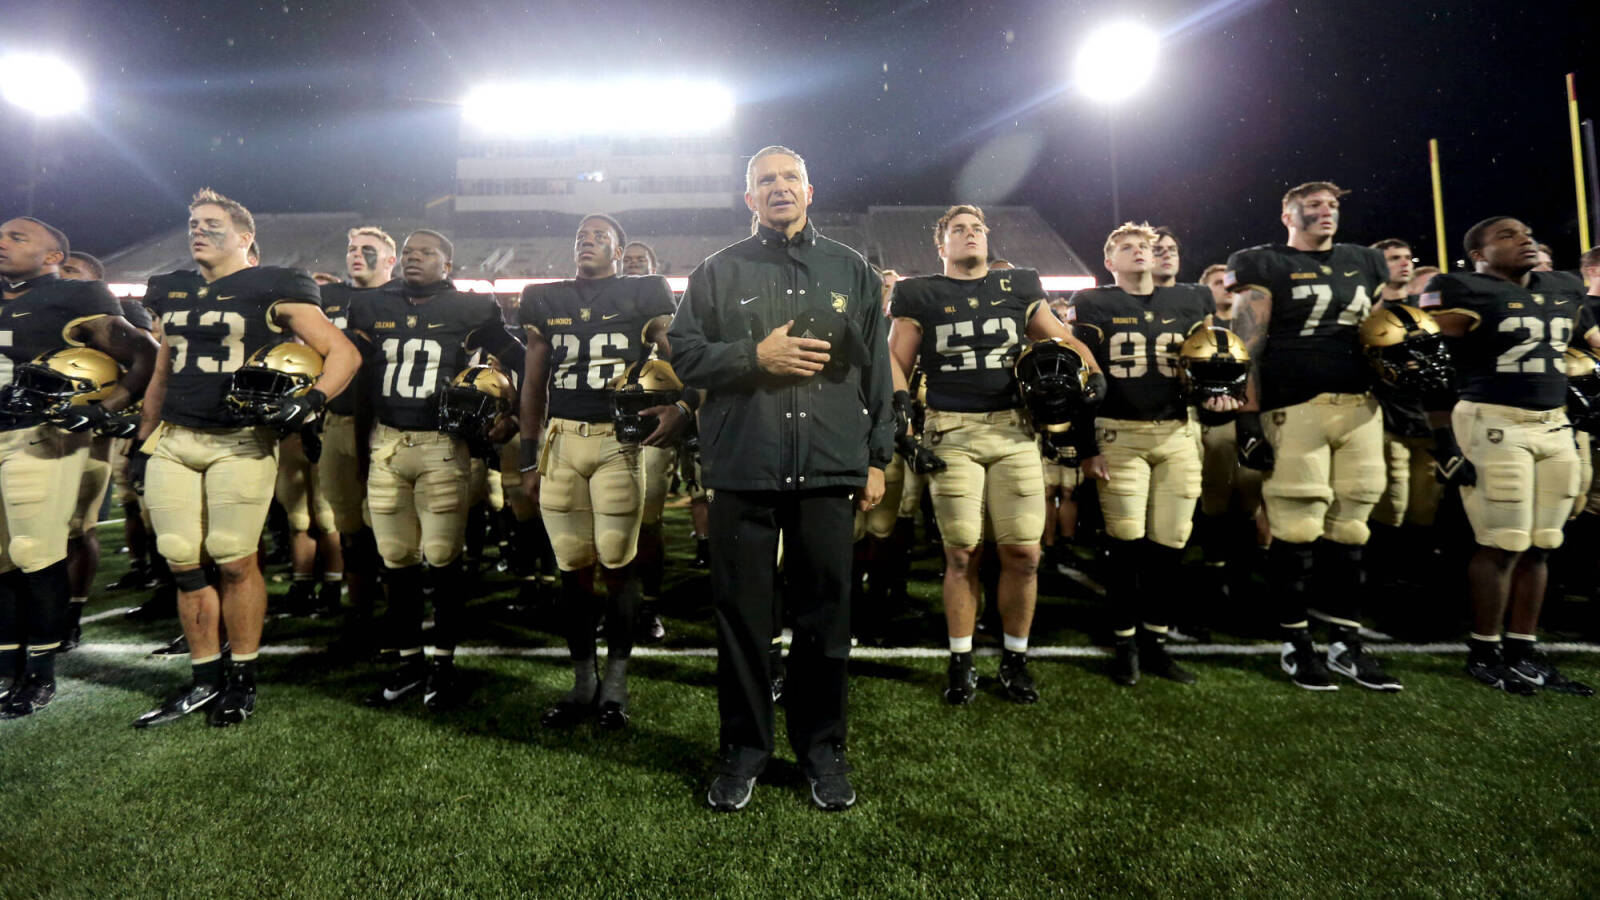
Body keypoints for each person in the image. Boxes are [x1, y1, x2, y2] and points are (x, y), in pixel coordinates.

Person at [671, 145, 893, 813]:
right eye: (764, 180)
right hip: (745, 466)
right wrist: (753, 355)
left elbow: (876, 371)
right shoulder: (716, 270)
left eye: (789, 177)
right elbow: (684, 355)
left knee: (827, 617)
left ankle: (822, 749)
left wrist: (878, 456)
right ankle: (743, 749)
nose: (778, 188)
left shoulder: (849, 268)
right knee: (742, 618)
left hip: (828, 466)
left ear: (810, 189)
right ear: (748, 199)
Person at [132, 189, 358, 728]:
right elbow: (164, 371)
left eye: (212, 223)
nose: (199, 230)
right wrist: (143, 442)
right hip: (175, 438)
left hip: (239, 440)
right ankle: (205, 678)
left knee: (234, 558)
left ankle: (244, 678)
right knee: (182, 558)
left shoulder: (274, 284)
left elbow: (344, 352)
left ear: (244, 237)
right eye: (193, 223)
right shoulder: (175, 288)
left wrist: (313, 400)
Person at [888, 204, 1103, 705]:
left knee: (1025, 554)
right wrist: (905, 426)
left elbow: (1064, 341)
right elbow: (896, 364)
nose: (970, 235)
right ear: (941, 246)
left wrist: (1094, 377)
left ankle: (1014, 658)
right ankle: (961, 661)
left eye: (977, 229)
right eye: (958, 230)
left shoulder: (1019, 286)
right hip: (953, 429)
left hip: (1015, 430)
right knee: (962, 552)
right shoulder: (918, 292)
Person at [1226, 181, 1400, 691]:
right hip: (1294, 406)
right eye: (1315, 204)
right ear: (1288, 212)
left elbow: (1378, 331)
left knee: (1352, 528)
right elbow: (1246, 344)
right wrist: (1247, 417)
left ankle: (1346, 642)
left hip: (1361, 407)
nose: (1327, 211)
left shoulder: (1365, 262)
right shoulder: (1263, 263)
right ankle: (1296, 642)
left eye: (1334, 204)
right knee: (1297, 528)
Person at [1419, 217, 1598, 695]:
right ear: (1478, 254)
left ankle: (1523, 650)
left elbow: (1582, 341)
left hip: (1555, 422)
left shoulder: (1563, 285)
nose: (1526, 240)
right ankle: (1484, 651)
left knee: (1543, 541)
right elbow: (1429, 364)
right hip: (1494, 421)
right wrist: (1444, 440)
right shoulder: (1458, 288)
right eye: (1507, 236)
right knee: (1503, 540)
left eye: (1527, 234)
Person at [352, 229, 525, 711]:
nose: (413, 259)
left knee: (444, 556)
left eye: (425, 253)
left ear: (447, 264)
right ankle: (409, 663)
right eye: (407, 252)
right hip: (386, 441)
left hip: (442, 445)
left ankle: (444, 664)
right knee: (396, 558)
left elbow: (523, 360)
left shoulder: (470, 308)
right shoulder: (370, 306)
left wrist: (513, 415)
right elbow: (358, 377)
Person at [518, 214, 677, 728]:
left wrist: (683, 406)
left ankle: (616, 684)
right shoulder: (547, 298)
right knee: (572, 567)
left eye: (599, 237)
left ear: (619, 249)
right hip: (561, 439)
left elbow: (679, 359)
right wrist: (528, 451)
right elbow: (533, 381)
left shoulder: (645, 292)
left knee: (617, 562)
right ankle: (583, 680)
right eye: (581, 237)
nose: (587, 243)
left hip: (617, 440)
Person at [0, 218, 158, 718]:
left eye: (16, 237)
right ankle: (7, 664)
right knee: (0, 559)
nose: (2, 242)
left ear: (52, 257)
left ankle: (41, 673)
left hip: (38, 437)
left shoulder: (73, 297)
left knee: (35, 552)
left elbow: (145, 354)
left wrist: (105, 409)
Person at [1070, 222, 1228, 685]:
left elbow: (1209, 359)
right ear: (1109, 260)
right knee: (1125, 545)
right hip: (1120, 434)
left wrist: (1217, 395)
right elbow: (1084, 379)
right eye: (1127, 246)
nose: (1141, 251)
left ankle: (1155, 643)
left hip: (1177, 433)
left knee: (1171, 543)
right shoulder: (1095, 303)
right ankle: (1123, 644)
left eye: (1146, 245)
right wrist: (1085, 448)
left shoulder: (1191, 299)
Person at [57, 251, 157, 649]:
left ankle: (70, 614)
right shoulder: (32, 309)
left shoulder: (104, 317)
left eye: (71, 271)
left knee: (77, 528)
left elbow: (147, 356)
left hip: (84, 435)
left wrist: (108, 411)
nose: (60, 277)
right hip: (20, 431)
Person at [316, 226, 396, 644]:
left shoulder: (402, 299)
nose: (357, 255)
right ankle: (360, 610)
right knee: (349, 527)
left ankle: (397, 615)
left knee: (391, 528)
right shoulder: (327, 302)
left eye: (368, 249)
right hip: (337, 422)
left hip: (387, 428)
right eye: (351, 248)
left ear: (389, 261)